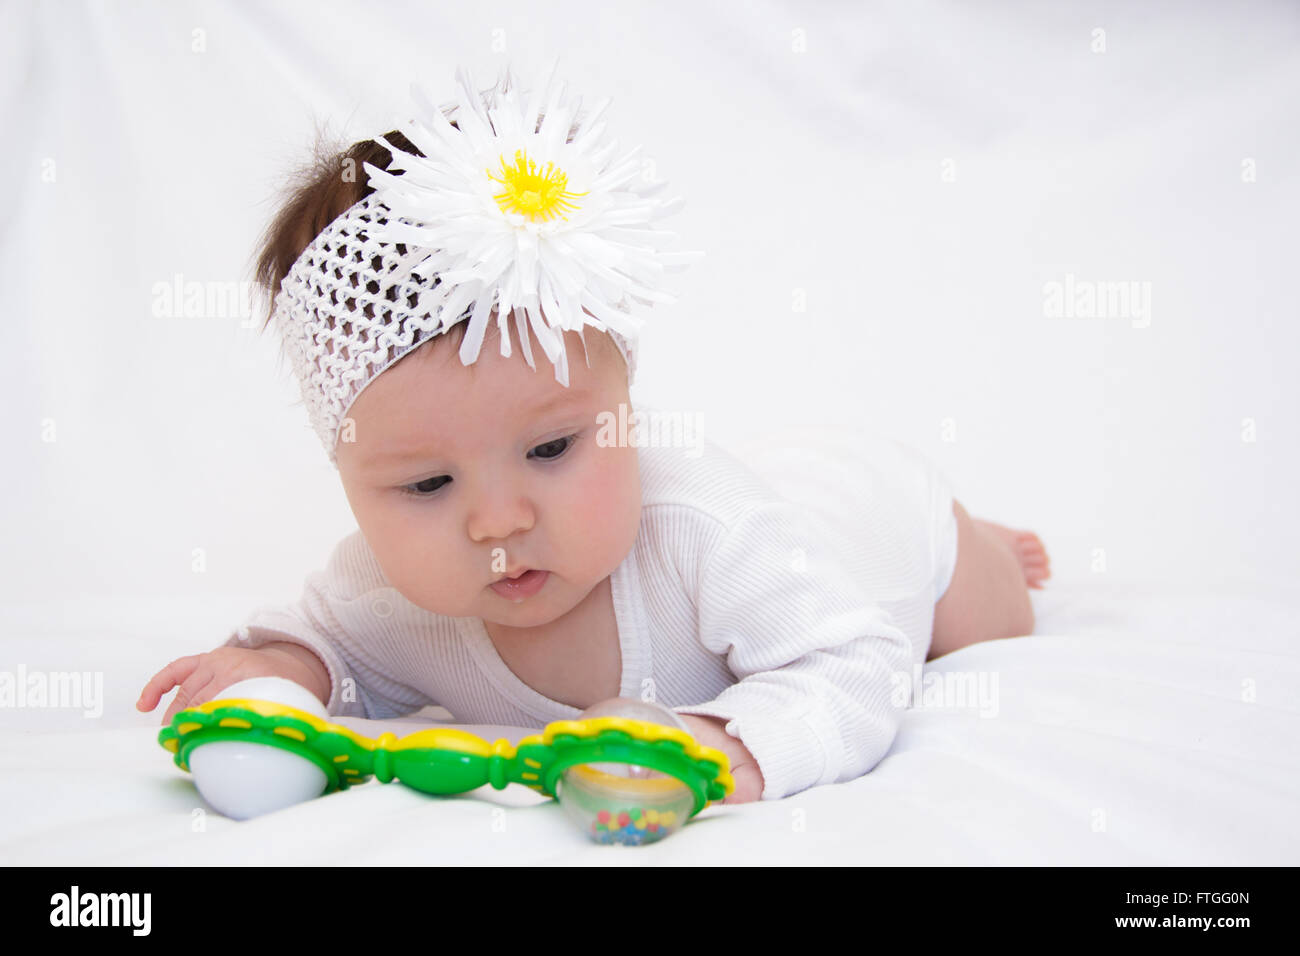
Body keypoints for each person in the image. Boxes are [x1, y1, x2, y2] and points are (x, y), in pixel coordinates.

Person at [137, 63, 1049, 804]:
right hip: (785, 498)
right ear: (343, 468)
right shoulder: (385, 594)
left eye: (550, 450)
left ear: (625, 397)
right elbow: (321, 646)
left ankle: (975, 536)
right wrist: (265, 674)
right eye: (426, 486)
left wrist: (727, 742)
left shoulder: (707, 529)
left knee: (977, 617)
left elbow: (857, 661)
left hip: (871, 515)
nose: (496, 522)